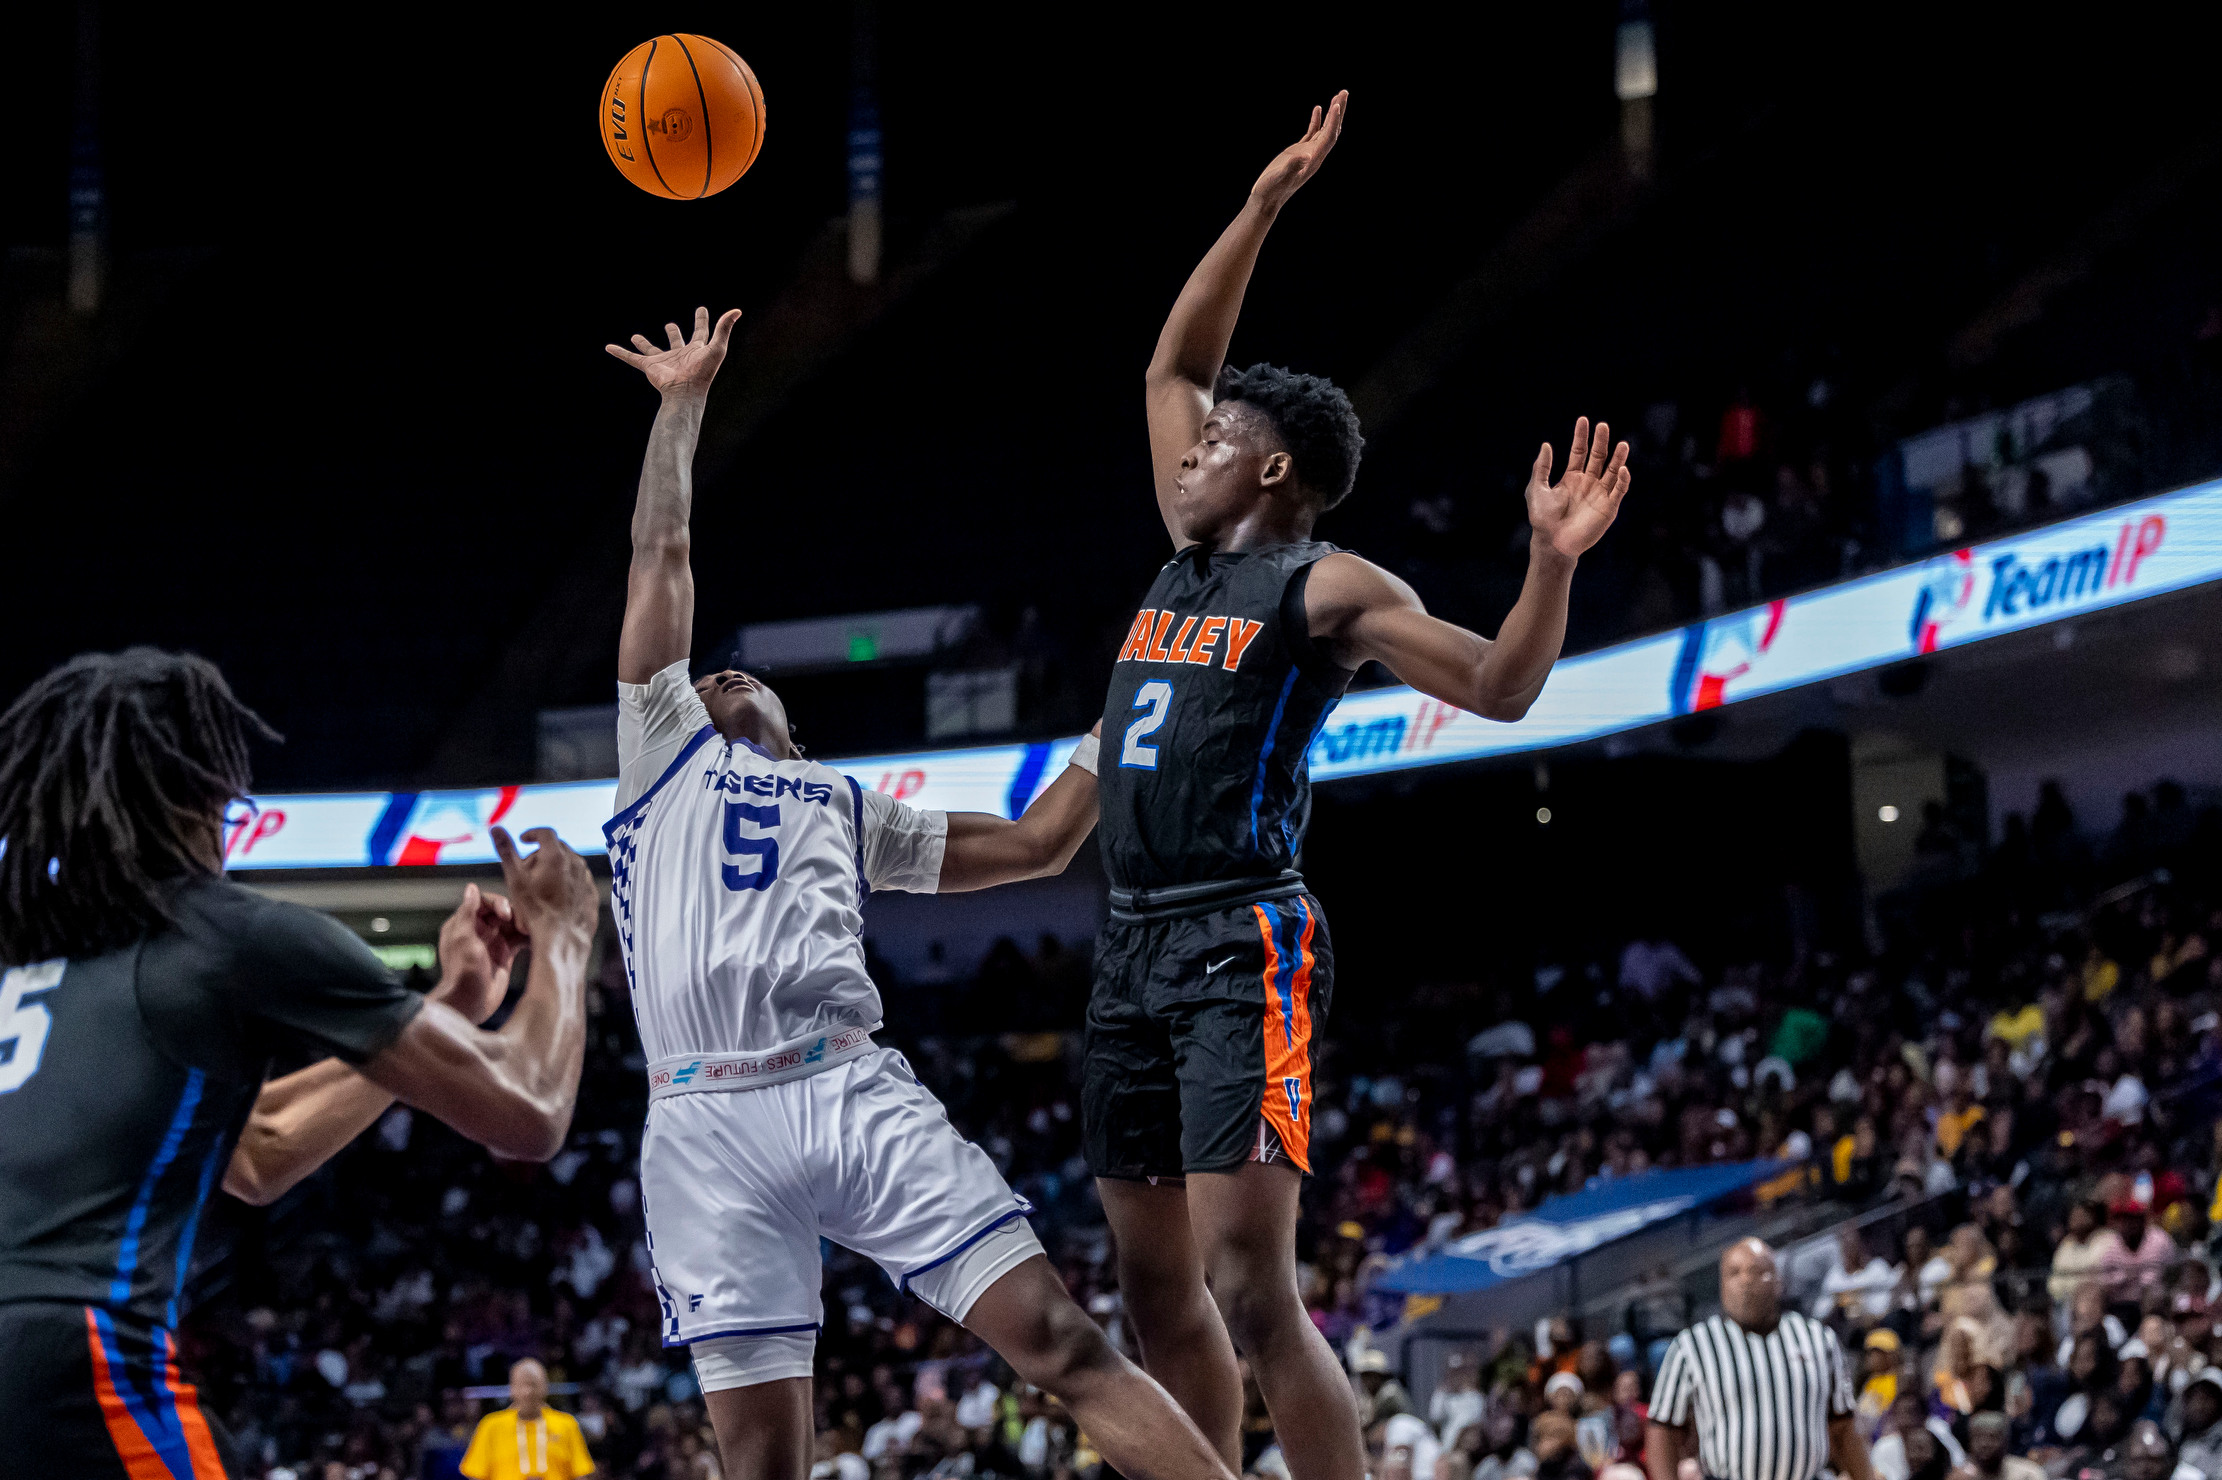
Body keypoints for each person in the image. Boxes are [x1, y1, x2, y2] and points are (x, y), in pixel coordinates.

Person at [1088, 93, 1633, 1480]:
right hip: (1129, 940)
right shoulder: (1187, 551)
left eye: (1215, 441)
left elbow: (1499, 686)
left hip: (1237, 936)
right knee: (1153, 1286)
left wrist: (1548, 561)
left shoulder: (1322, 583)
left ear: (1271, 469)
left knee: (1249, 1287)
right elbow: (1171, 364)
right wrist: (1261, 206)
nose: (1187, 448)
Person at [599, 307, 1230, 1480]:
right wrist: (680, 410)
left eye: (746, 677)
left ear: (794, 728)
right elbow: (660, 556)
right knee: (764, 1464)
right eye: (710, 671)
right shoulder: (660, 748)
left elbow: (1040, 840)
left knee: (1060, 1340)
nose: (723, 673)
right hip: (702, 1119)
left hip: (844, 1083)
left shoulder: (845, 806)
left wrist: (1130, 704)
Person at [0, 648, 603, 1480]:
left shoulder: (42, 956)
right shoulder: (226, 933)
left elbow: (261, 1148)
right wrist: (565, 934)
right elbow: (530, 1107)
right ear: (209, 789)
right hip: (74, 1357)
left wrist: (448, 1007)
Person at [1644, 1239, 1875, 1480]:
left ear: (1778, 1281)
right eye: (1734, 1273)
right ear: (1722, 1285)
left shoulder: (1818, 1339)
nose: (1745, 1281)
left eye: (1756, 1271)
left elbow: (1844, 1425)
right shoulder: (1692, 1346)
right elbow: (1662, 1428)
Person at [461, 1359, 597, 1480]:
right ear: (512, 1388)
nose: (528, 1392)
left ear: (545, 1387)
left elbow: (581, 1474)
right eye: (522, 1385)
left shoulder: (567, 1424)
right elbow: (476, 1475)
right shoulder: (491, 1425)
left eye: (533, 1384)